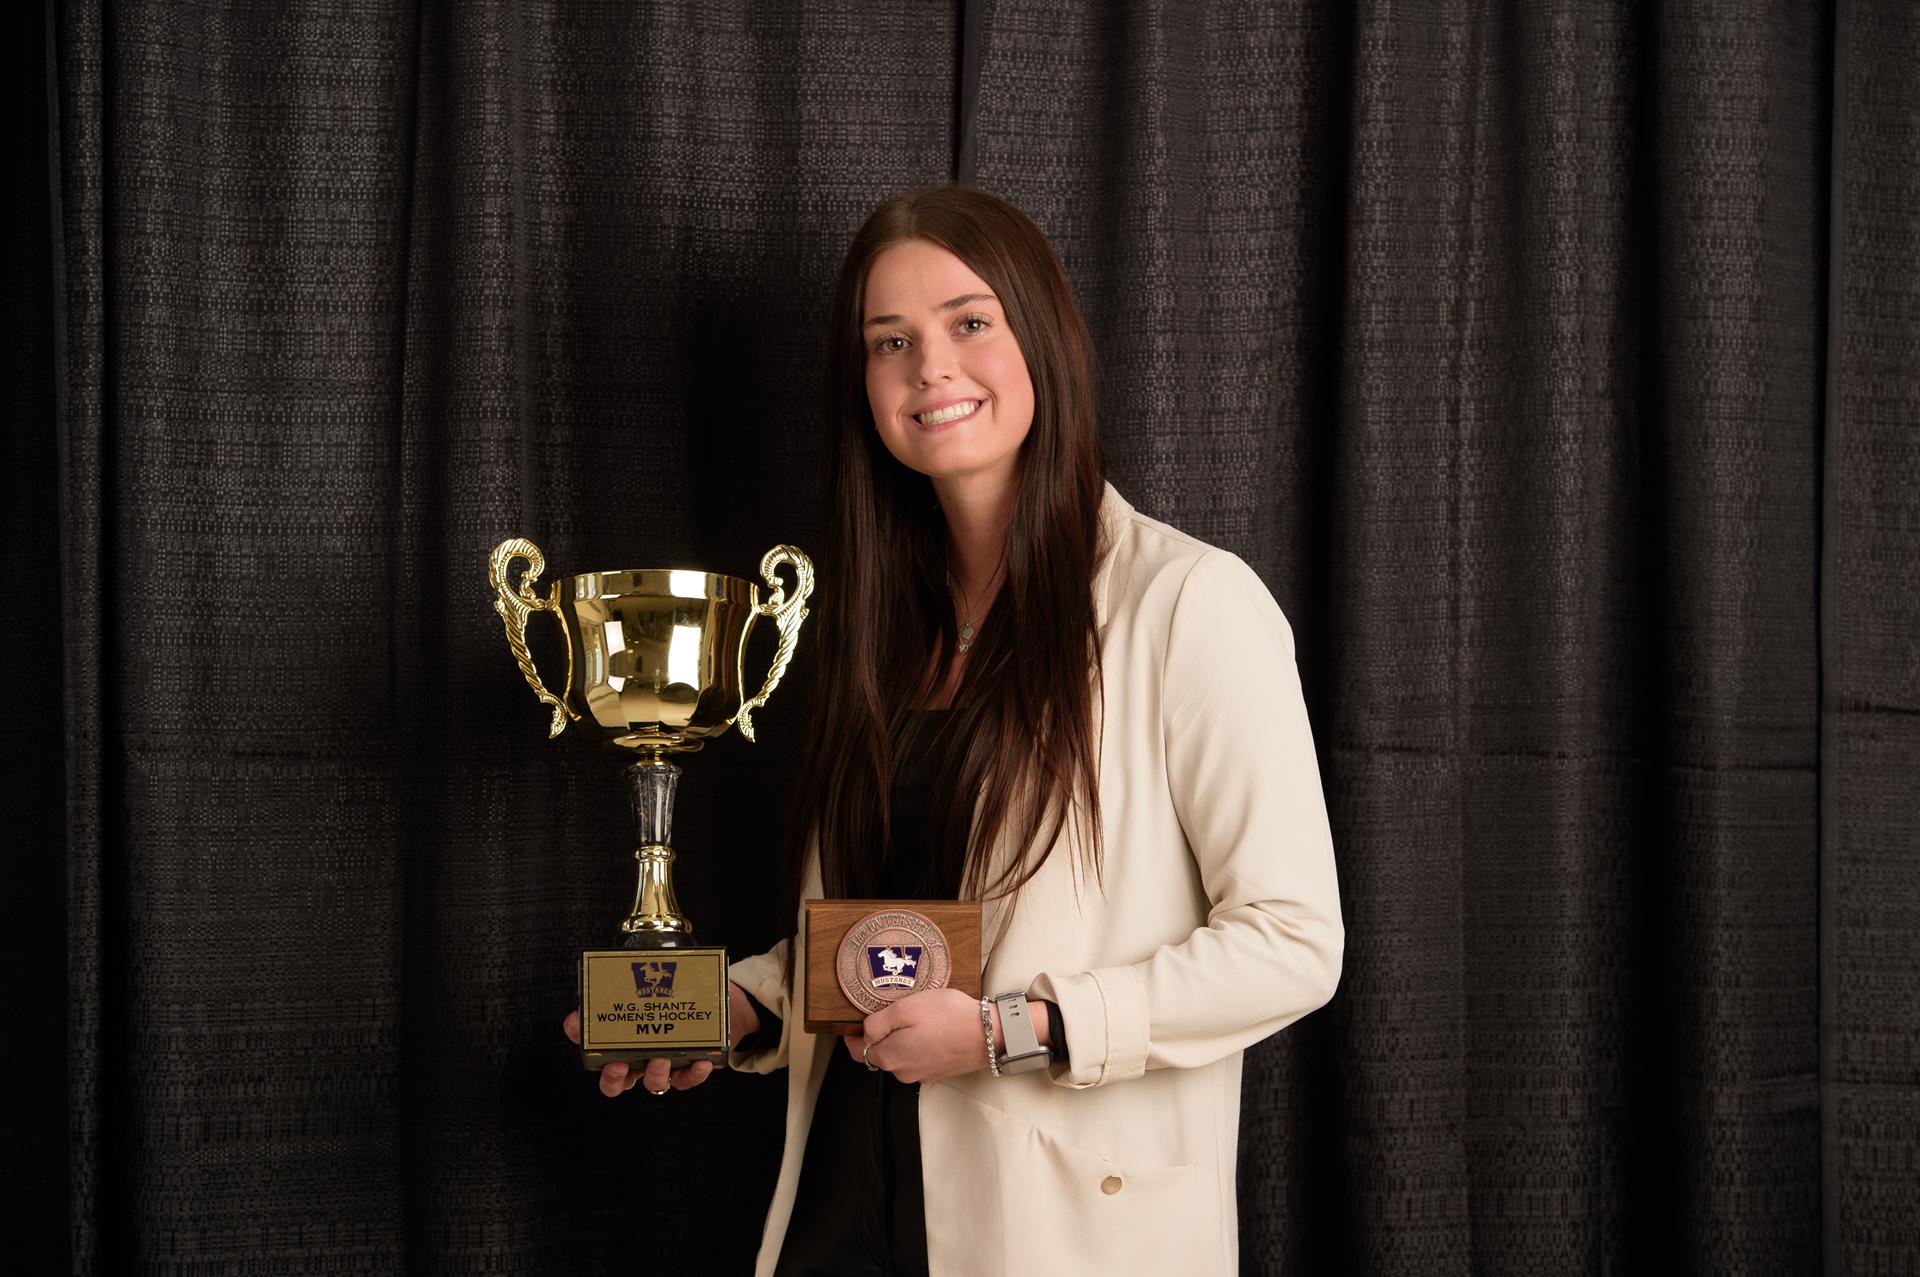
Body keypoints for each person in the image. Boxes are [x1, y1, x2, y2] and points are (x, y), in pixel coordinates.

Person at [562, 183, 1344, 1276]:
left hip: (1059, 1233)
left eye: (969, 321)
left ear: (1044, 338)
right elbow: (894, 936)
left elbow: (1294, 942)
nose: (930, 366)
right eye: (891, 341)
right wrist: (737, 1007)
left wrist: (1005, 1029)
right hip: (844, 1213)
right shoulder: (883, 628)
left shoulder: (1188, 604)